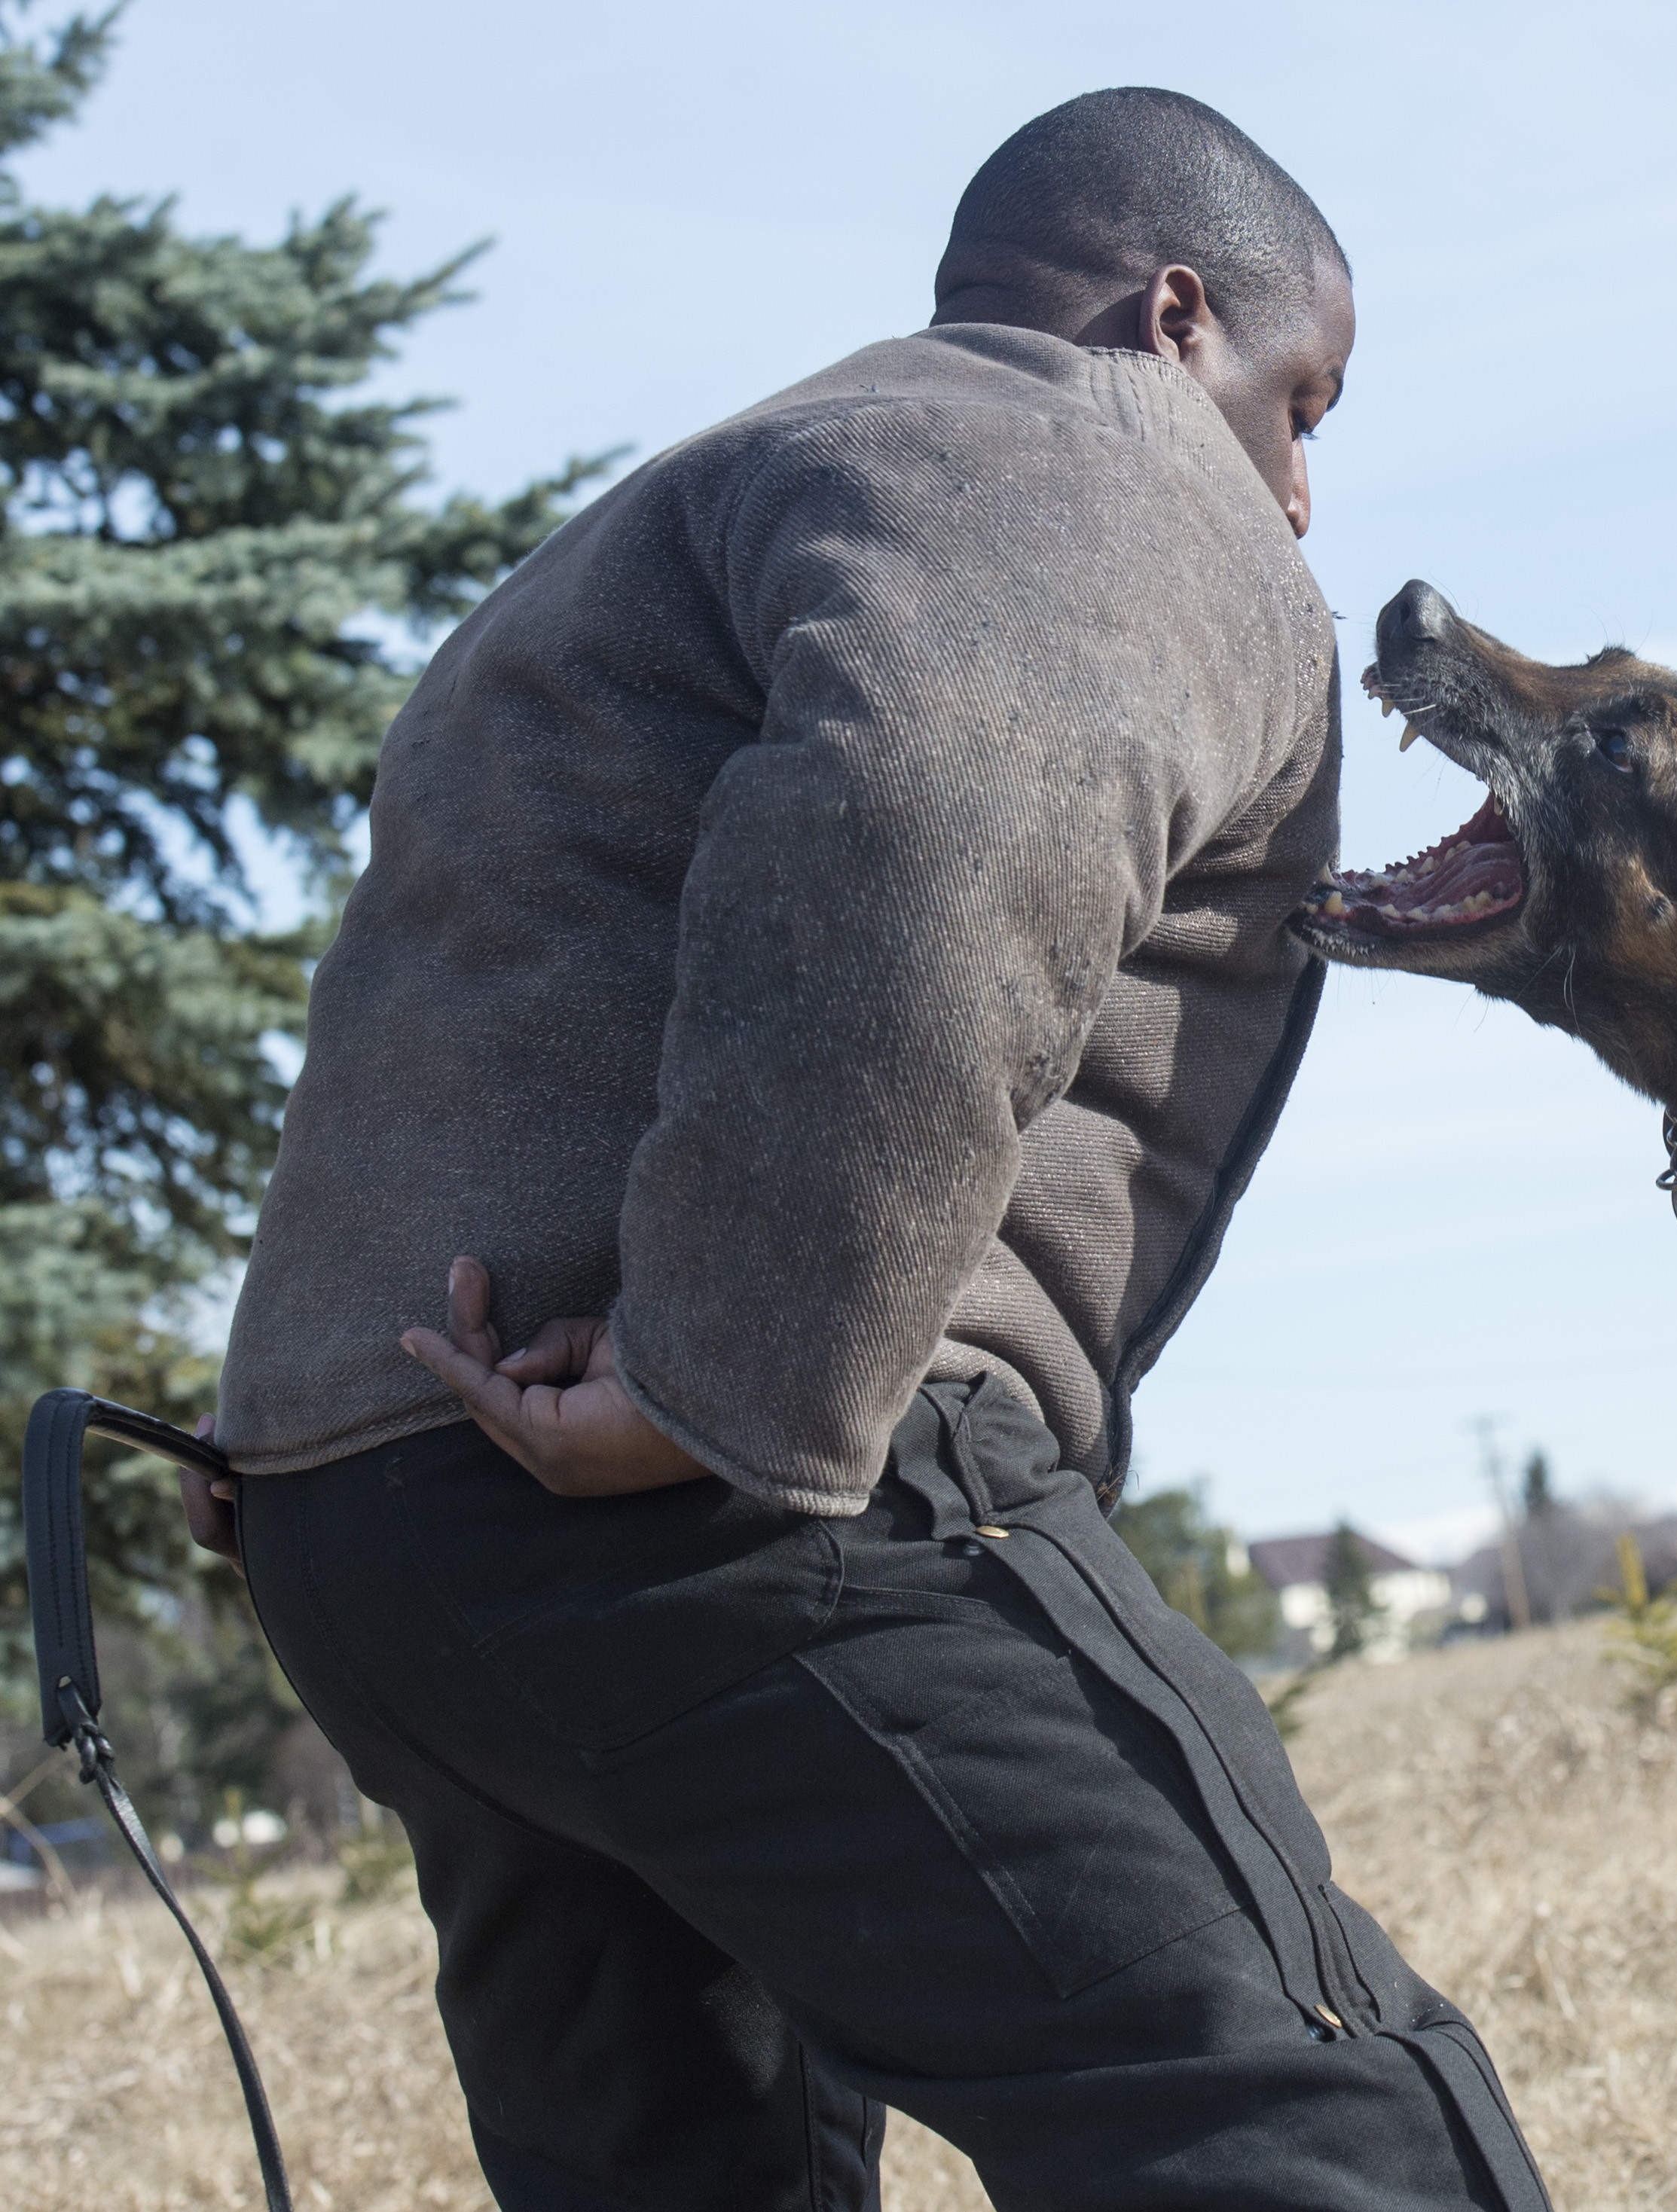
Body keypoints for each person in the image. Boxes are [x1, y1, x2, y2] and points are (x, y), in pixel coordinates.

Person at [201, 89, 1549, 2212]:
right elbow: (930, 807)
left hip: (381, 1525)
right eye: (1303, 404)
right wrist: (727, 1364)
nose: (1297, 494)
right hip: (710, 1475)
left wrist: (315, 1423)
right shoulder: (1078, 448)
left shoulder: (713, 496)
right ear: (1173, 311)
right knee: (1306, 2125)